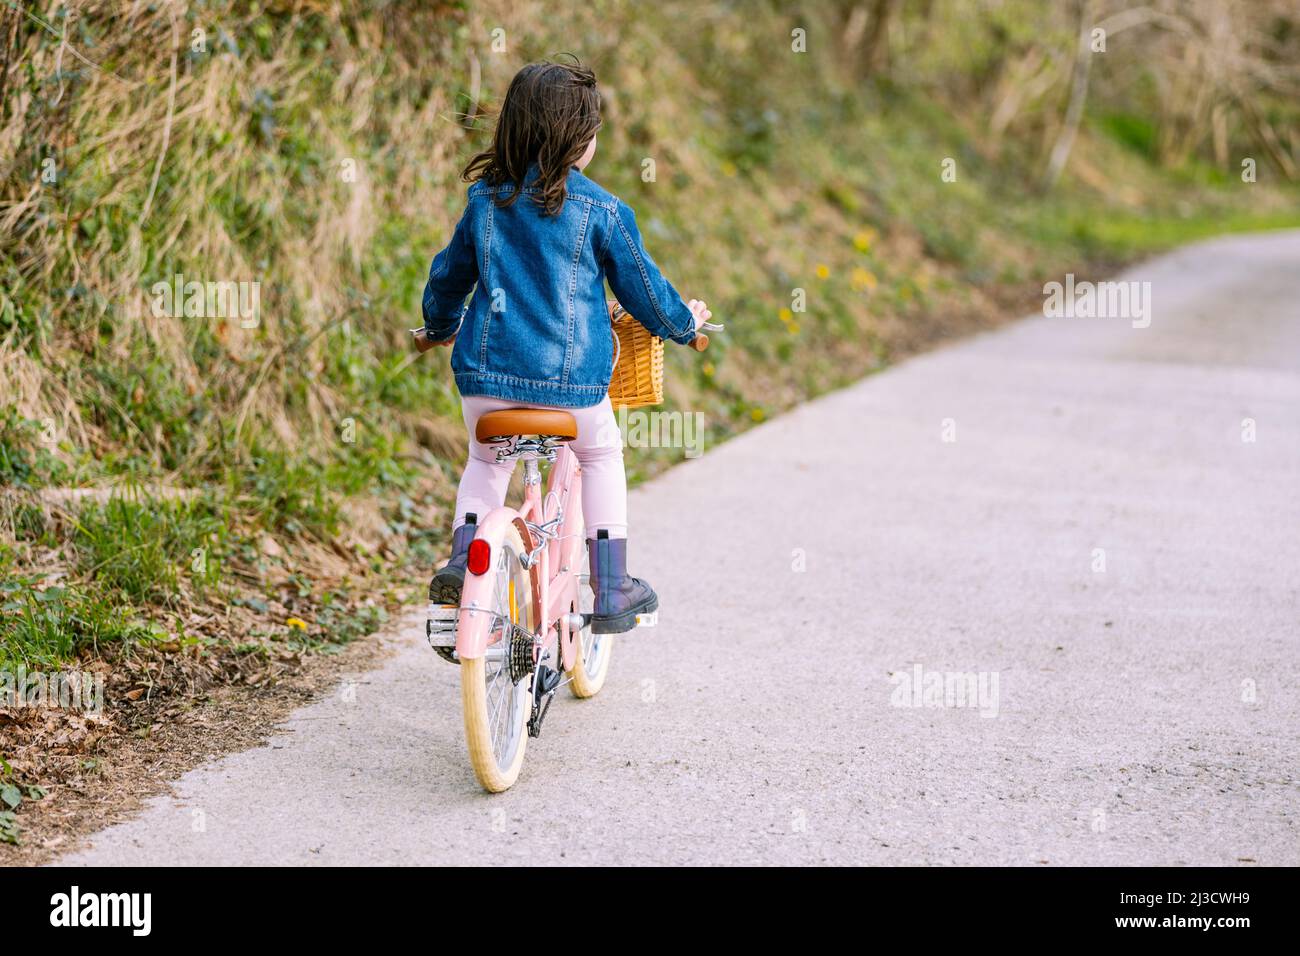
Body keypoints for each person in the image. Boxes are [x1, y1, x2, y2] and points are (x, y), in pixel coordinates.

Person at [416, 58, 710, 634]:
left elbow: (449, 279)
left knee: (484, 459)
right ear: (582, 140)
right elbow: (643, 289)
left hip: (484, 380)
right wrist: (683, 326)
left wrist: (438, 322)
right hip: (571, 386)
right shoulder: (601, 209)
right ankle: (612, 586)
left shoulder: (485, 201)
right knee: (601, 456)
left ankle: (460, 560)